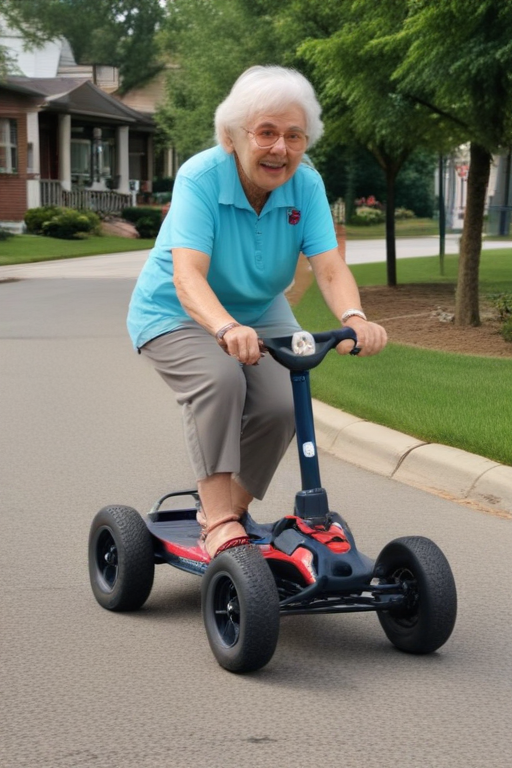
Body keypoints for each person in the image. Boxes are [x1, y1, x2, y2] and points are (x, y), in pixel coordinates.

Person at [127, 65, 387, 558]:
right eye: (266, 132)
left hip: (258, 310)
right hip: (176, 311)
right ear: (232, 136)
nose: (280, 149)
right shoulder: (201, 177)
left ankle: (226, 515)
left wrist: (355, 317)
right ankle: (220, 517)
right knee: (222, 379)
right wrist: (224, 326)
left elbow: (329, 268)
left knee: (285, 401)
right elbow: (187, 276)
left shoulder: (306, 184)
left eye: (294, 135)